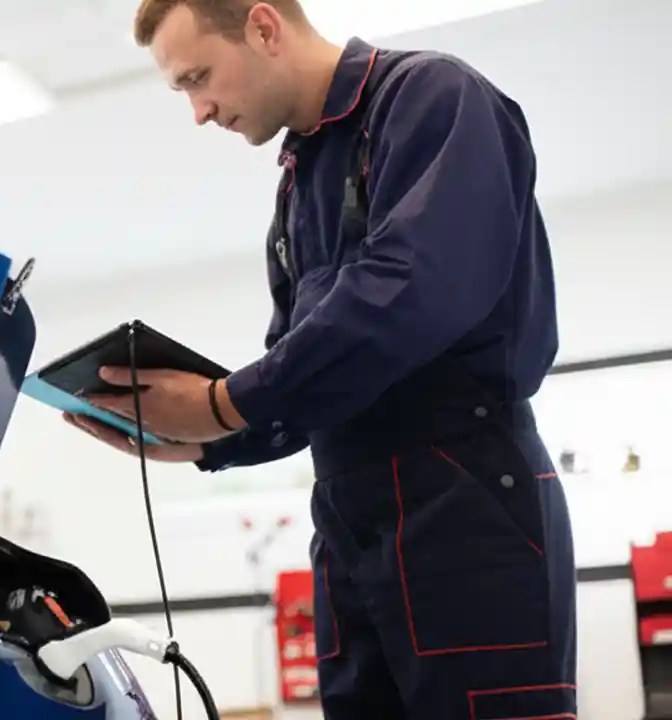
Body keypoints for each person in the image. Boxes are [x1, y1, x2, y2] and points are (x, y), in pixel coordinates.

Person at [63, 1, 578, 717]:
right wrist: (201, 441)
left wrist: (221, 404)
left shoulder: (431, 98)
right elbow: (302, 377)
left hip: (465, 496)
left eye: (199, 77)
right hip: (346, 517)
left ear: (265, 28)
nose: (200, 111)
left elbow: (410, 289)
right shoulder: (298, 189)